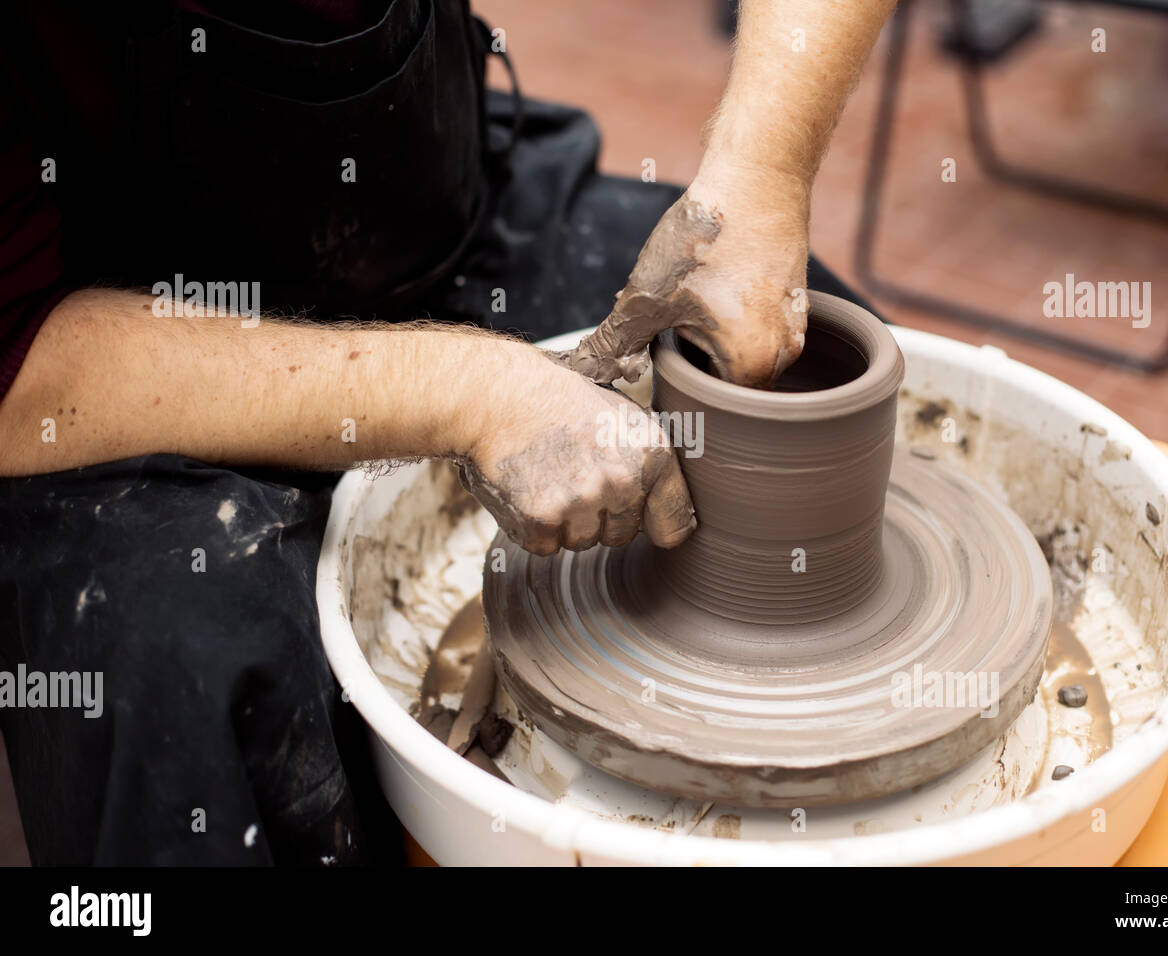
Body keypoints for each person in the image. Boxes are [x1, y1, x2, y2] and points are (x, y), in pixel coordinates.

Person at [0, 0, 896, 864]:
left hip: (433, 228)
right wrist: (470, 392)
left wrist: (760, 172)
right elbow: (15, 368)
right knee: (192, 677)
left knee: (801, 340)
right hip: (124, 364)